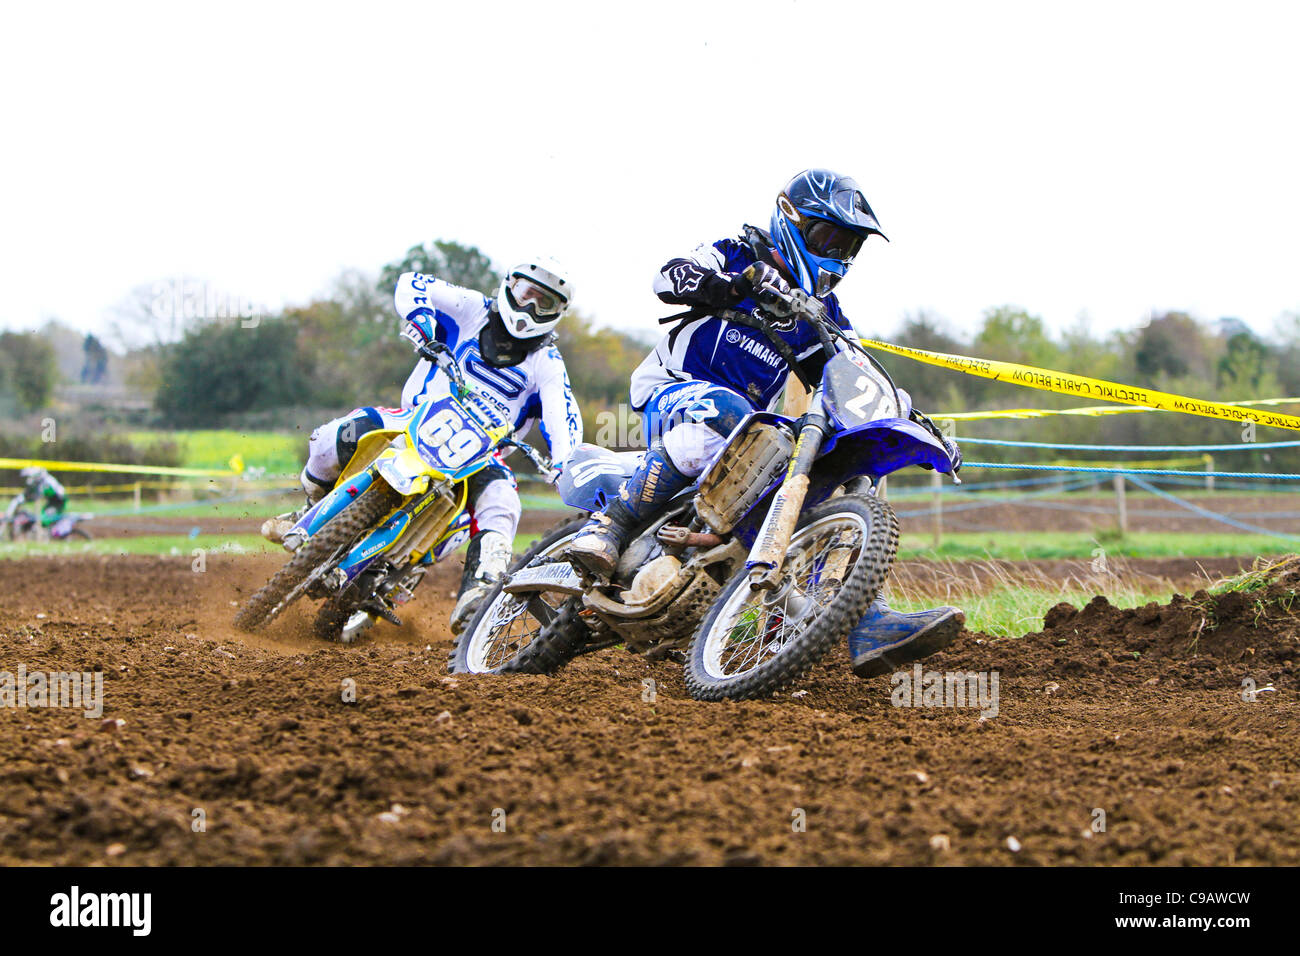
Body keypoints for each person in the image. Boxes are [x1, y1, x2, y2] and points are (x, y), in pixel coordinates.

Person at [565, 169, 964, 677]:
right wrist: (730, 286)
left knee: (853, 470)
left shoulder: (825, 316)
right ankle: (610, 525)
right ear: (791, 218)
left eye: (849, 247)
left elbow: (850, 373)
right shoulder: (738, 251)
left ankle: (866, 616)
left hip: (753, 432)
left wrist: (903, 413)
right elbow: (667, 276)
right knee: (730, 412)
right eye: (830, 238)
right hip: (672, 390)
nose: (838, 256)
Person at [265, 257, 583, 634]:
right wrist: (422, 321)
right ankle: (311, 505)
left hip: (481, 456)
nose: (531, 308)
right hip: (415, 419)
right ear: (510, 286)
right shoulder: (472, 309)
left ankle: (479, 593)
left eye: (544, 303)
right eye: (527, 294)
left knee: (503, 503)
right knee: (337, 435)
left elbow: (563, 414)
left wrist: (564, 461)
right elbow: (413, 282)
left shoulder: (546, 361)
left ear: (557, 313)